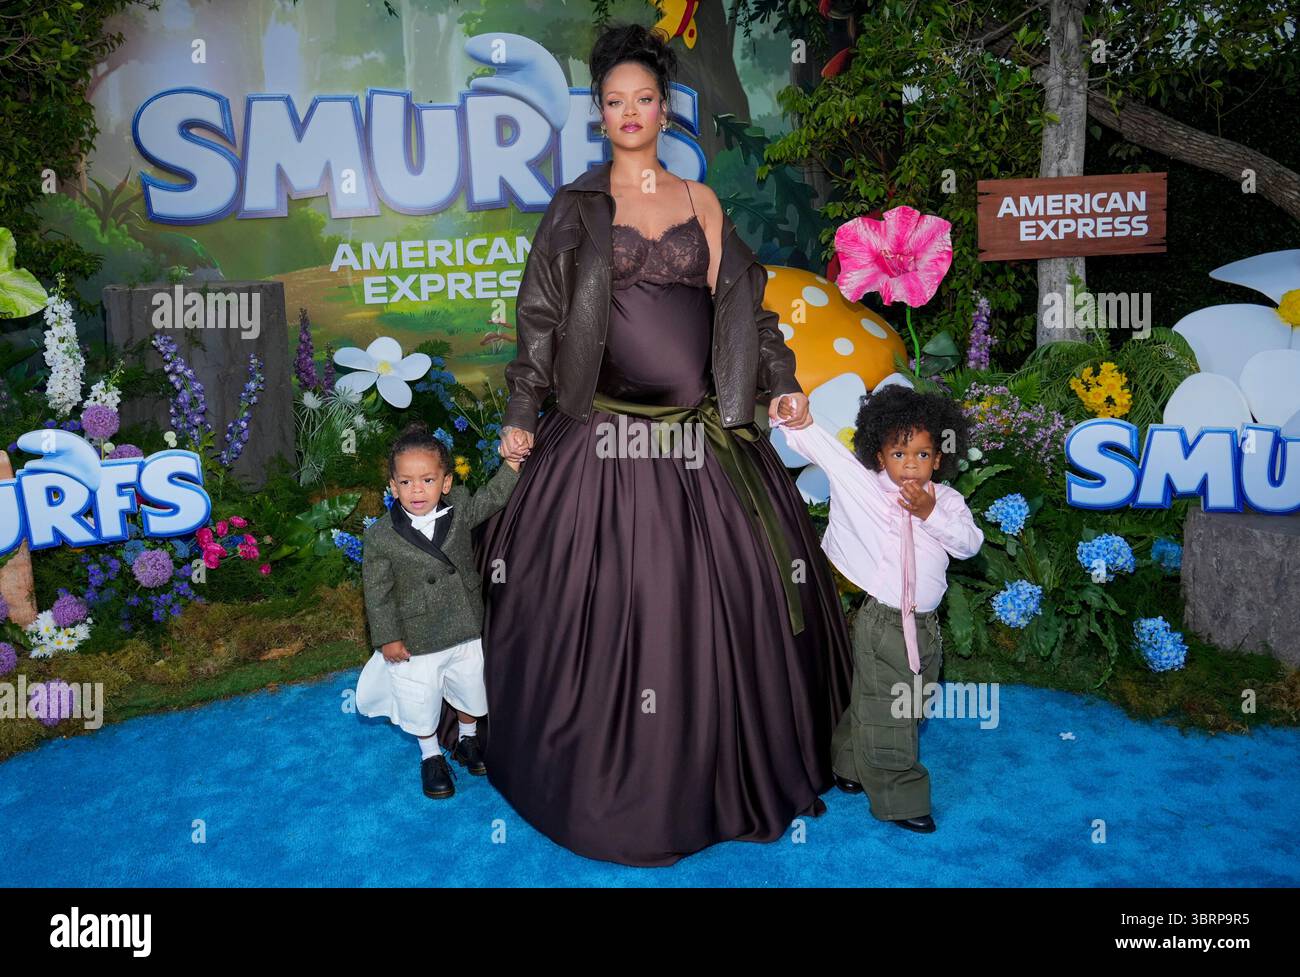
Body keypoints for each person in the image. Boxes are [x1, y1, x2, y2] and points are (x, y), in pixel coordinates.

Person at [474, 22, 853, 866]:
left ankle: (734, 772)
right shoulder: (575, 209)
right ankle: (604, 783)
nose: (631, 113)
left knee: (743, 595)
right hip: (597, 441)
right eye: (616, 101)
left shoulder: (702, 203)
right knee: (583, 601)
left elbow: (748, 310)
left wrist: (780, 380)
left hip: (704, 444)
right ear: (599, 112)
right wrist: (522, 409)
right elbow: (539, 318)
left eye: (645, 99)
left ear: (666, 107)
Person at [771, 384, 984, 832]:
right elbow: (827, 453)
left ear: (939, 458)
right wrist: (798, 419)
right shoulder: (866, 488)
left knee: (905, 700)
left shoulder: (948, 502)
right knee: (894, 711)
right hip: (883, 622)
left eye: (923, 455)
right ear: (880, 456)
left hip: (926, 626)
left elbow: (968, 546)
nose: (911, 464)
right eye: (899, 454)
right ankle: (899, 796)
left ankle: (847, 764)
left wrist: (930, 513)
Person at [356, 422, 520, 800]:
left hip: (464, 626)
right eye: (407, 482)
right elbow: (377, 592)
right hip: (417, 639)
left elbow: (493, 497)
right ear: (393, 487)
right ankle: (430, 756)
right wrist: (388, 638)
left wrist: (511, 464)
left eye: (427, 480)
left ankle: (467, 739)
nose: (417, 490)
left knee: (471, 689)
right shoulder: (380, 536)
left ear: (445, 483)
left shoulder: (461, 508)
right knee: (420, 698)